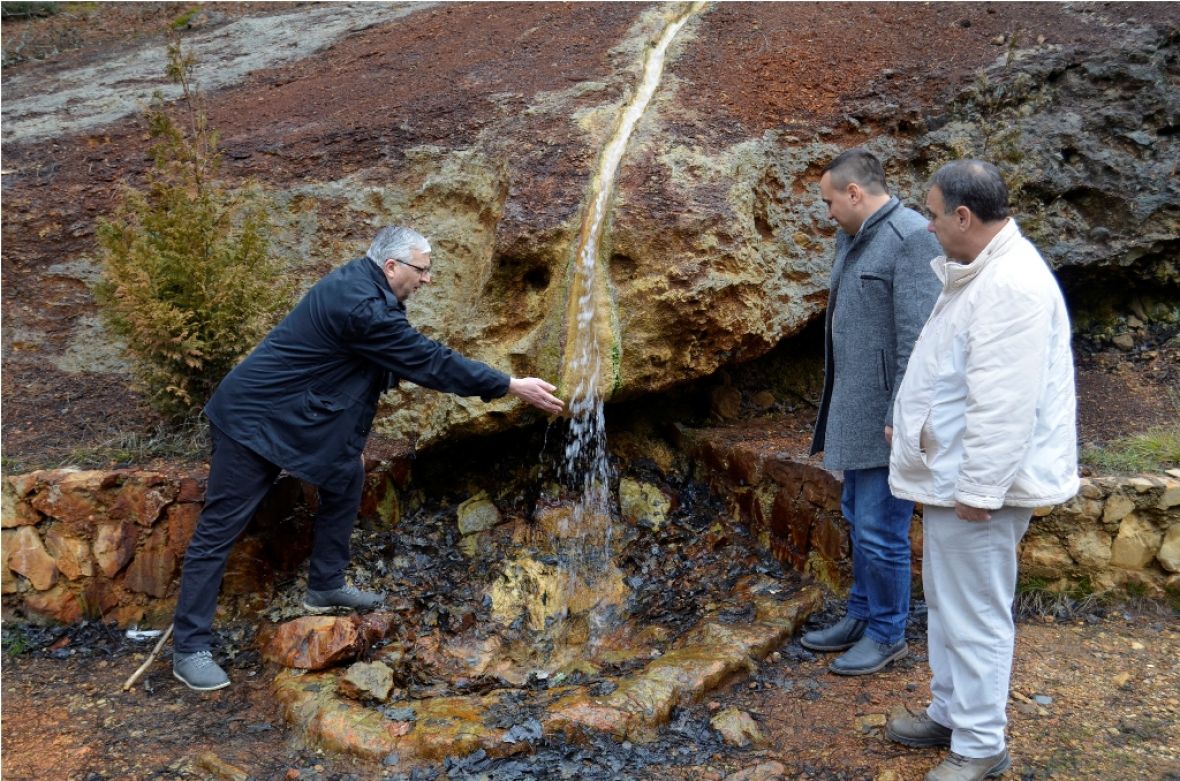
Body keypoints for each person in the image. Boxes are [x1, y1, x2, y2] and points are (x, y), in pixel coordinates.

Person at [172, 226, 564, 691]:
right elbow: (428, 360)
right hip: (252, 421)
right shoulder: (361, 305)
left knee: (346, 473)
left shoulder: (365, 288)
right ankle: (189, 648)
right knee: (219, 530)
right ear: (392, 266)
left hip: (295, 418)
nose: (428, 280)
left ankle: (325, 586)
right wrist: (508, 384)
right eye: (423, 270)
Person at [885, 161, 1078, 781]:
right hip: (955, 479)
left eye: (934, 214)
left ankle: (980, 744)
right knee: (947, 605)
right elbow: (953, 375)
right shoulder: (981, 273)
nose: (929, 226)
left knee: (975, 614)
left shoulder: (1011, 286)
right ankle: (950, 712)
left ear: (963, 217)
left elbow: (1003, 404)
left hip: (976, 489)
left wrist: (979, 489)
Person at [804, 149, 942, 675]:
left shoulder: (909, 238)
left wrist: (900, 415)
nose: (828, 212)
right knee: (858, 519)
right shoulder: (853, 236)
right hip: (855, 411)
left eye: (830, 201)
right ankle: (861, 615)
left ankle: (889, 633)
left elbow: (919, 340)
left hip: (886, 420)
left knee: (884, 530)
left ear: (855, 193)